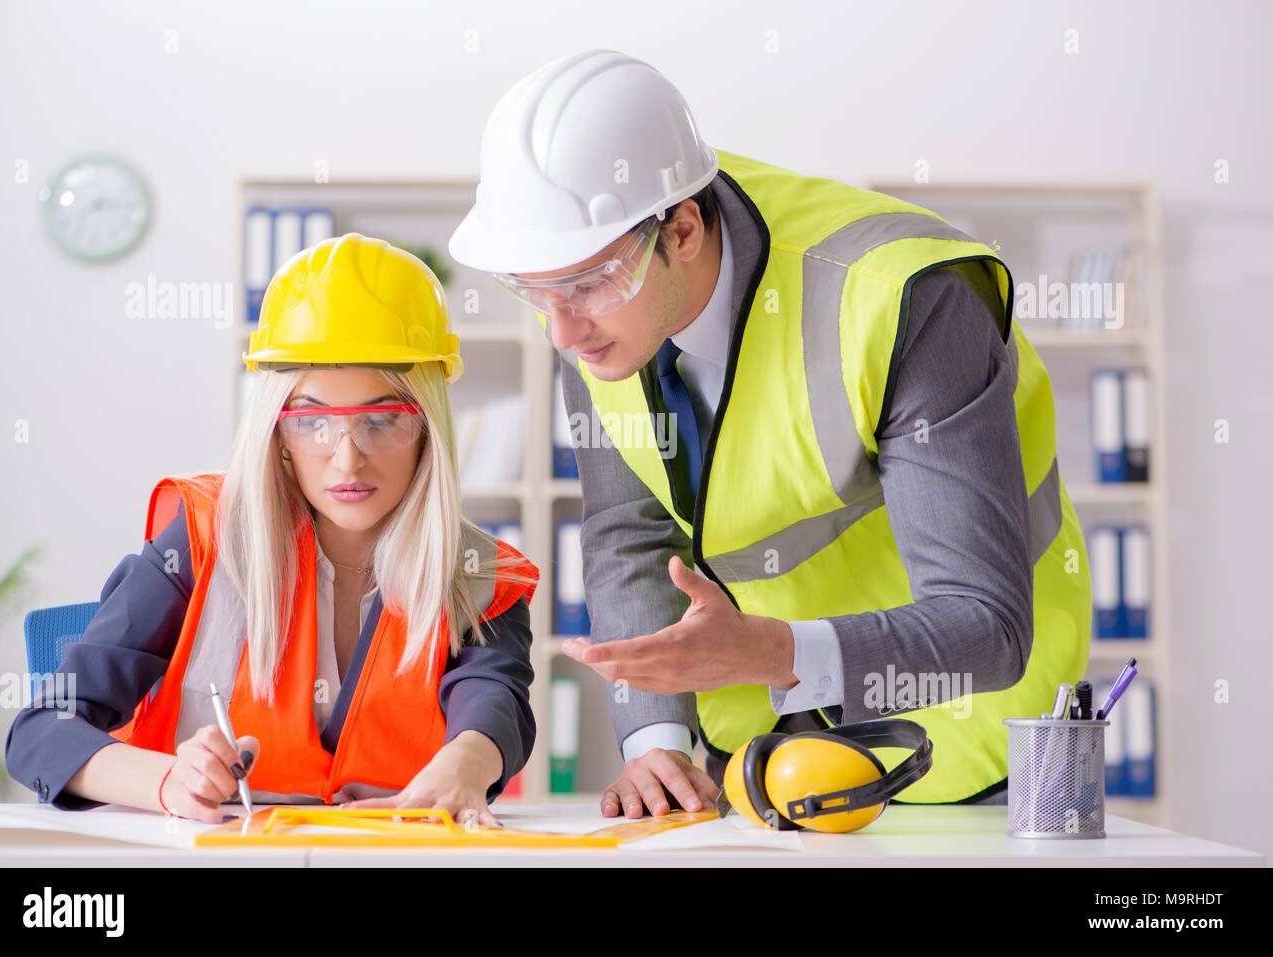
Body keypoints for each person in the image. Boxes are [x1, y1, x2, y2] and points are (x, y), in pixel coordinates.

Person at [448, 50, 1091, 818]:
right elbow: (630, 530)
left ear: (682, 229)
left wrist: (775, 653)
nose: (559, 330)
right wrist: (655, 743)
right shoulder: (594, 303)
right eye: (532, 290)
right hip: (758, 769)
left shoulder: (906, 301)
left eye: (585, 285)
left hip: (970, 752)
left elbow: (986, 622)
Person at [6, 234, 539, 828]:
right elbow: (40, 731)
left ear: (430, 429)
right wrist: (167, 781)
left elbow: (497, 700)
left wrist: (468, 760)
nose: (347, 461)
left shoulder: (480, 575)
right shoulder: (200, 540)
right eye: (311, 420)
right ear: (276, 433)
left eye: (384, 419)